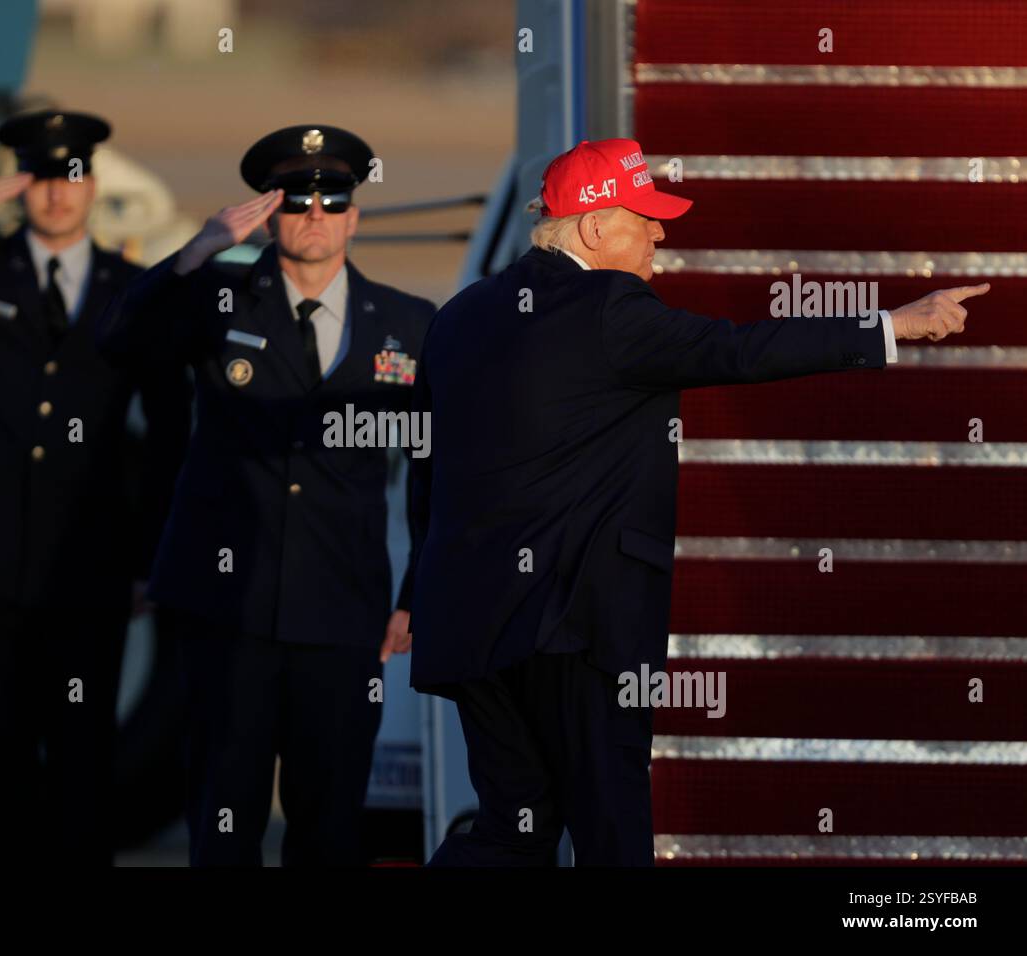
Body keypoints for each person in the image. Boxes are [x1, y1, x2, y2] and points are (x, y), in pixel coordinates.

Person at [408, 137, 989, 866]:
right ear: (593, 226)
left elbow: (426, 465)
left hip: (471, 627)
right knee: (611, 829)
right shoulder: (611, 308)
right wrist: (893, 325)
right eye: (644, 216)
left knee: (508, 828)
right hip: (575, 630)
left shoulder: (461, 314)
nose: (659, 233)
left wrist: (414, 598)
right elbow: (744, 350)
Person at [98, 124, 435, 866]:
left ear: (355, 214)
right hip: (228, 612)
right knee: (224, 822)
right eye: (295, 199)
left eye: (332, 197)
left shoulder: (410, 327)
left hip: (344, 614)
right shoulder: (216, 299)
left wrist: (416, 590)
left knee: (330, 827)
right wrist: (194, 254)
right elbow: (115, 339)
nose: (314, 212)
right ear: (269, 212)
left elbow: (436, 464)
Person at [0, 110, 191, 865]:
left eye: (71, 177)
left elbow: (169, 431)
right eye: (40, 177)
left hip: (91, 569)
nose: (58, 195)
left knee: (82, 764)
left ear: (94, 185)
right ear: (20, 187)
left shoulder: (133, 290)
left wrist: (150, 556)